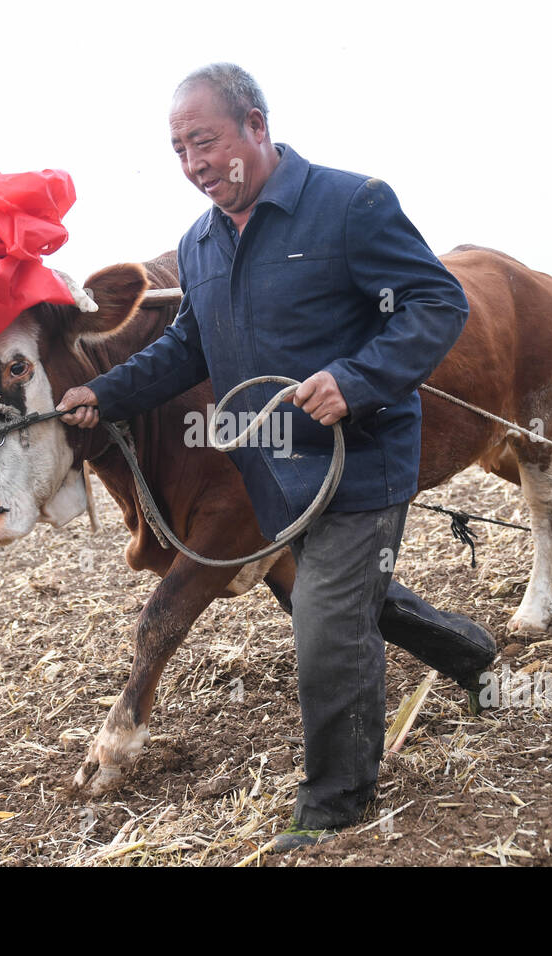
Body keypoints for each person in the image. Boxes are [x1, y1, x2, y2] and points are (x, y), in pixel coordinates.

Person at [56, 63, 494, 846]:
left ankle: (334, 806)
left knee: (324, 620)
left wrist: (356, 380)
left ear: (256, 126)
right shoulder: (200, 243)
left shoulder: (351, 205)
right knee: (354, 599)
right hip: (271, 469)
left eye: (205, 141)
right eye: (178, 149)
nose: (193, 163)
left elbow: (437, 302)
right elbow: (190, 343)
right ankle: (472, 653)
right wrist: (108, 395)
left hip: (358, 457)